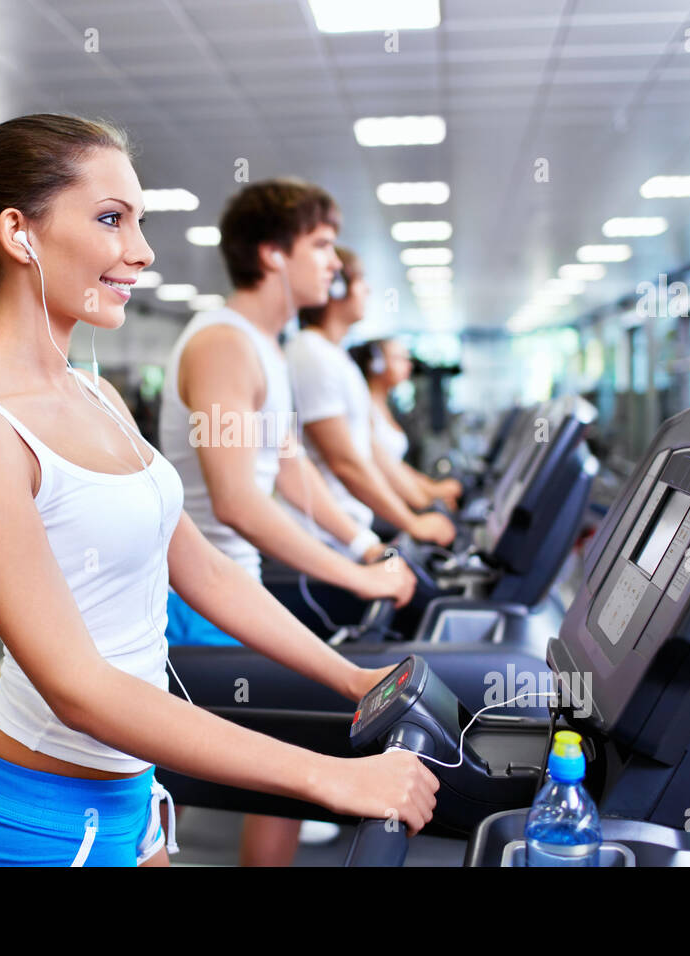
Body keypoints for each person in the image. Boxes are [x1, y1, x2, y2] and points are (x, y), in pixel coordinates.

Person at [0, 114, 437, 867]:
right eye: (113, 219)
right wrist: (329, 779)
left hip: (133, 798)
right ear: (19, 234)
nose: (141, 252)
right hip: (38, 824)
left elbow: (203, 567)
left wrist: (350, 677)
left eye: (138, 222)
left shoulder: (99, 397)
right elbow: (80, 688)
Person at [159, 179, 417, 866]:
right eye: (322, 245)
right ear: (273, 253)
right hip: (192, 597)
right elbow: (238, 500)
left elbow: (289, 468)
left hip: (227, 587)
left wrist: (366, 547)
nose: (335, 263)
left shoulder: (264, 345)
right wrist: (358, 580)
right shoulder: (223, 345)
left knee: (194, 781)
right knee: (256, 763)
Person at [286, 247, 457, 550]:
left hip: (346, 530)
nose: (369, 289)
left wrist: (425, 497)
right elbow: (345, 463)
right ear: (336, 287)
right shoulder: (311, 354)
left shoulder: (336, 357)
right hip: (321, 537)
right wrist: (413, 521)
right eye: (361, 280)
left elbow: (373, 453)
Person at [350, 338, 463, 512]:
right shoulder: (364, 408)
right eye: (398, 359)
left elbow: (397, 465)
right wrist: (428, 499)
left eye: (407, 359)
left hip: (394, 498)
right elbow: (385, 467)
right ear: (376, 364)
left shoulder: (387, 407)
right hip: (378, 506)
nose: (408, 365)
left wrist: (432, 489)